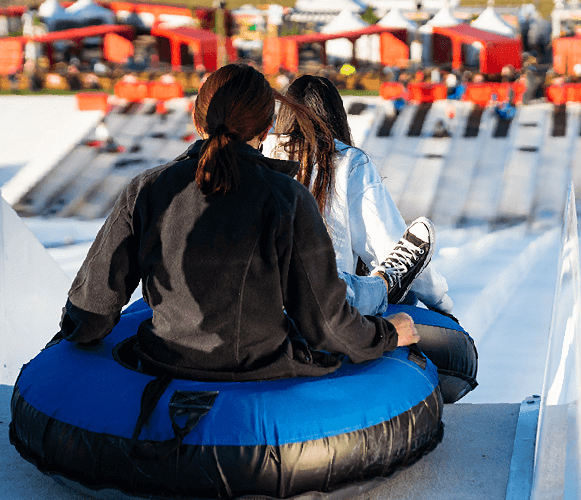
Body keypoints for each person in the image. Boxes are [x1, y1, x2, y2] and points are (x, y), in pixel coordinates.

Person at [55, 63, 419, 382]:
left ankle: (382, 285)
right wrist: (388, 334)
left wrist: (67, 348)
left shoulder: (146, 189)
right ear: (266, 129)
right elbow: (326, 325)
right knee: (353, 292)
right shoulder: (287, 198)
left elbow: (91, 313)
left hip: (164, 364)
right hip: (260, 371)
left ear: (197, 122)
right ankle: (386, 283)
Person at [272, 75, 454, 318]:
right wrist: (440, 301)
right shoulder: (347, 162)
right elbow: (392, 248)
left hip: (266, 309)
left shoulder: (261, 154)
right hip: (328, 312)